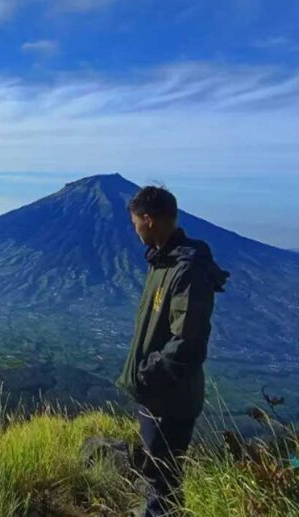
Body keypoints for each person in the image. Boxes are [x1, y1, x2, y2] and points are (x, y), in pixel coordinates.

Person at [115, 186, 229, 516]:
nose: (135, 229)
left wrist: (148, 373)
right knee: (159, 479)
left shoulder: (187, 269)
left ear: (148, 220)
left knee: (163, 483)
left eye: (135, 222)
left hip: (169, 398)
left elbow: (188, 342)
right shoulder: (163, 262)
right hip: (156, 396)